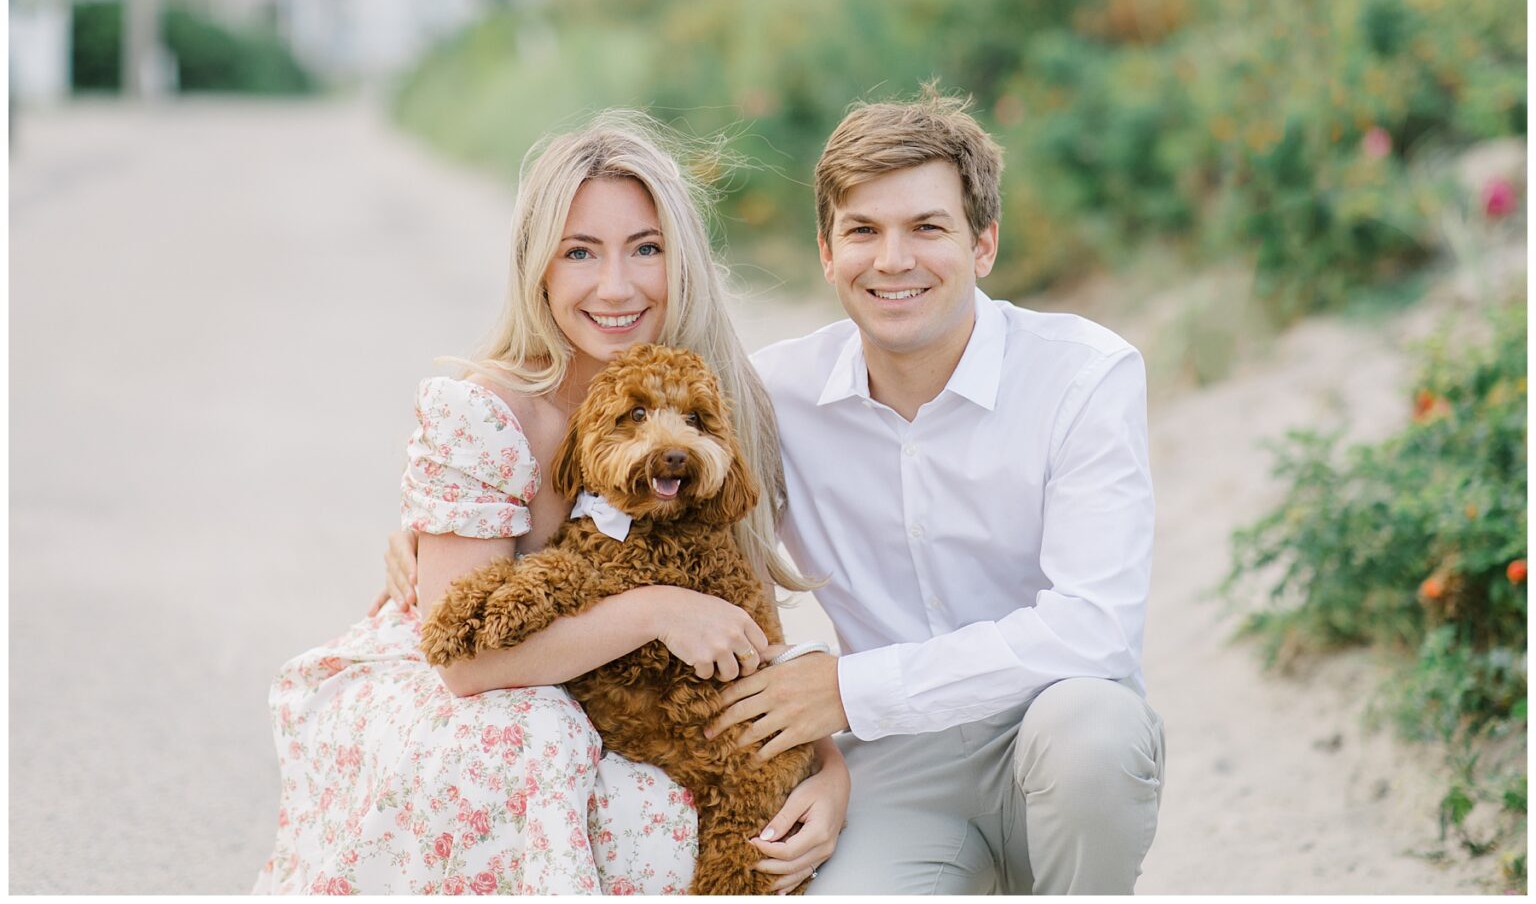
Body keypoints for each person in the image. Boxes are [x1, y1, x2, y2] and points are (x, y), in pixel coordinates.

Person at [386, 89, 1165, 894]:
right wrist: (421, 533)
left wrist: (844, 693)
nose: (893, 260)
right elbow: (677, 549)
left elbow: (1095, 630)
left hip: (1042, 734)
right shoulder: (768, 397)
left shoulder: (1082, 376)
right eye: (863, 231)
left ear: (985, 243)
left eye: (927, 228)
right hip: (892, 764)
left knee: (1095, 732)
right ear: (827, 254)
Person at [258, 112, 848, 895]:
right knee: (523, 749)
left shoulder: (714, 406)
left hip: (639, 697)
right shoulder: (491, 411)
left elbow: (742, 633)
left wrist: (830, 775)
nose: (617, 286)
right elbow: (465, 665)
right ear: (539, 269)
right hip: (479, 695)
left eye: (647, 248)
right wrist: (655, 609)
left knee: (701, 816)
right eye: (580, 252)